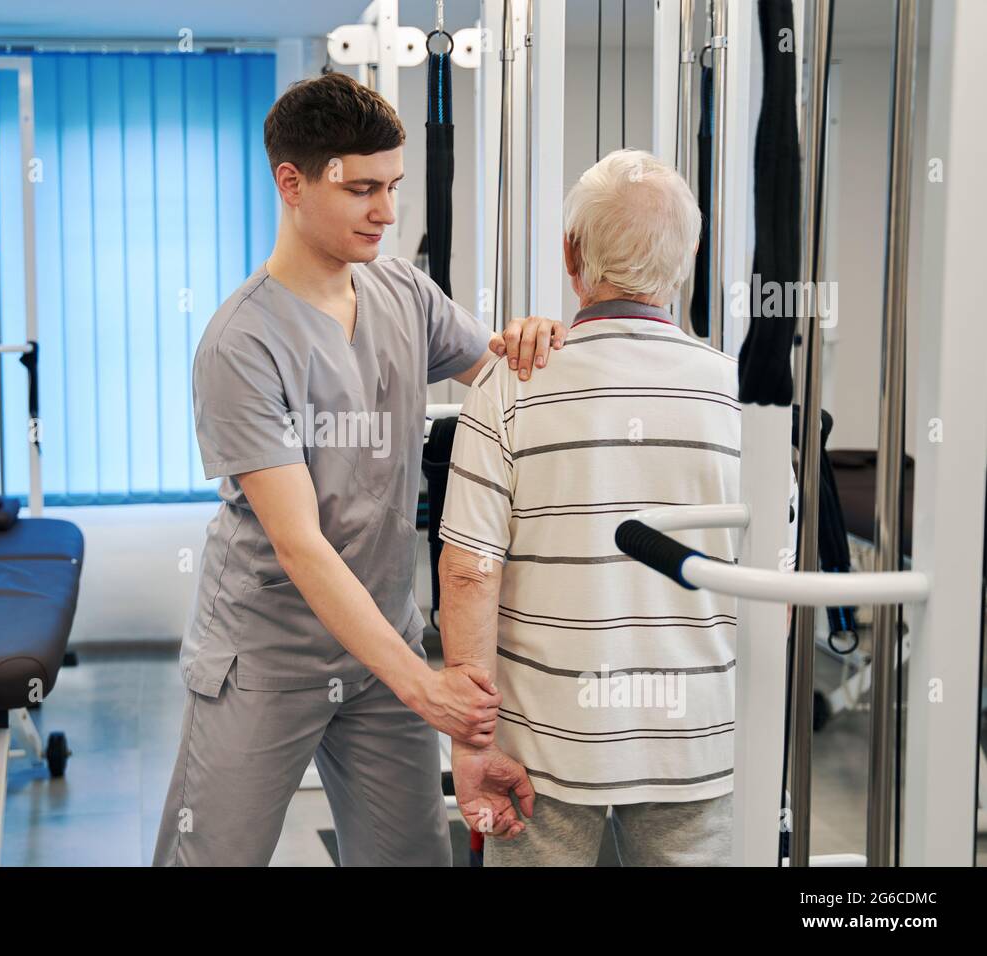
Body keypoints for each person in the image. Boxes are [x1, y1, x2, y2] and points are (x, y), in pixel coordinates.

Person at [152, 71, 566, 866]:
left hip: (384, 645)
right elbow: (301, 544)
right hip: (266, 655)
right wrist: (424, 682)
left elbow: (503, 379)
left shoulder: (402, 290)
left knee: (410, 858)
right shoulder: (241, 344)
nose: (387, 211)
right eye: (363, 189)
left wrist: (534, 342)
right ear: (293, 183)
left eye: (395, 186)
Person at [438, 148, 752, 866]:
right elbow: (777, 593)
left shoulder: (510, 386)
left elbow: (469, 573)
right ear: (689, 257)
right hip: (697, 741)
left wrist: (470, 743)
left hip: (542, 747)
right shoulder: (742, 399)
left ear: (570, 253)